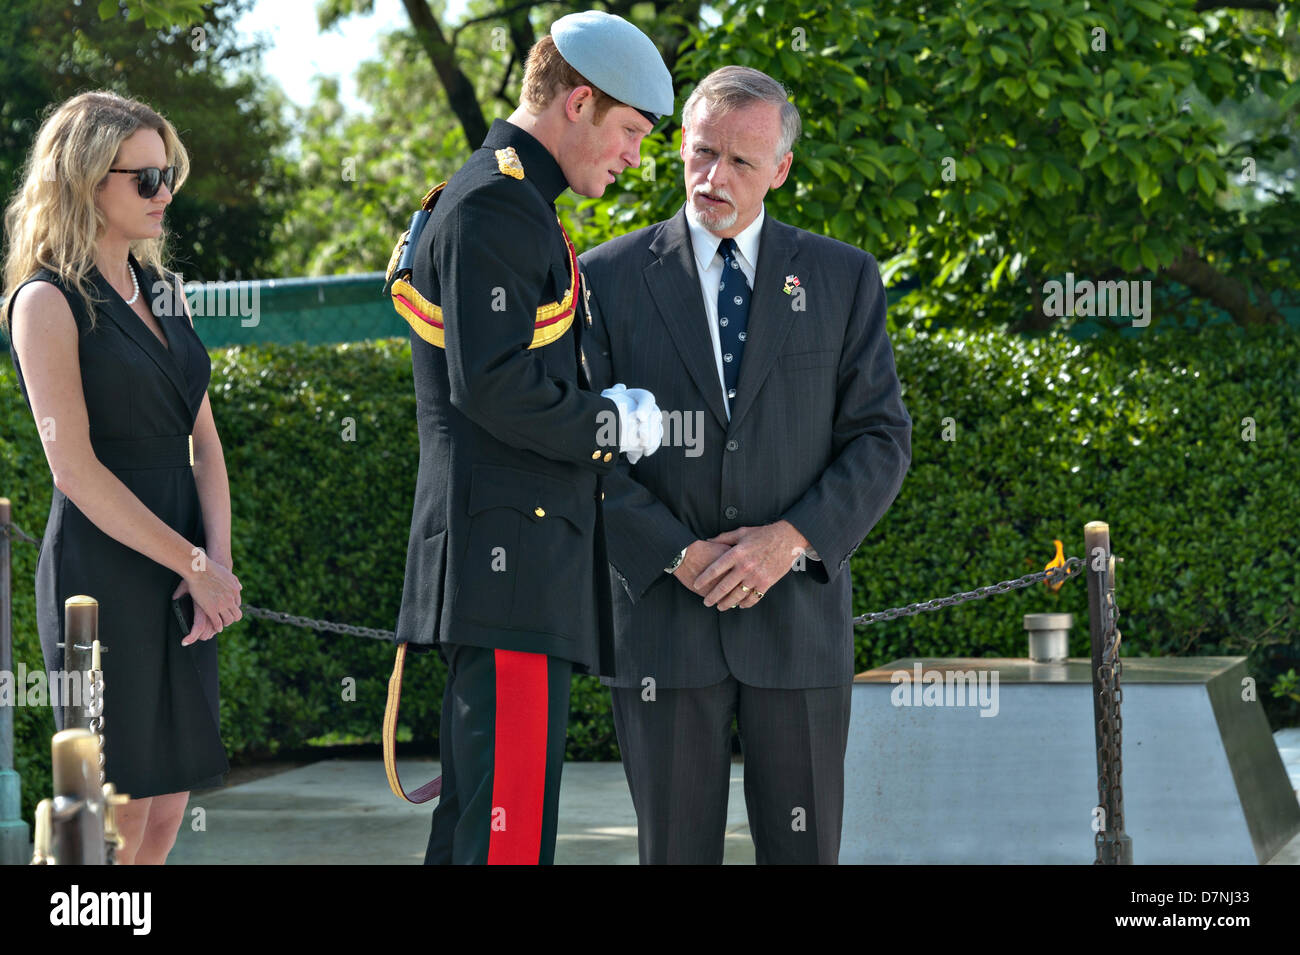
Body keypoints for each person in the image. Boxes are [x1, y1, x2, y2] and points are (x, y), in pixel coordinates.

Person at [580, 66, 913, 864]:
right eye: (700, 154)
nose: (712, 178)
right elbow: (582, 448)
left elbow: (880, 438)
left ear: (781, 169)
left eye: (739, 161)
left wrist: (789, 539)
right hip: (663, 631)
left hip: (797, 630)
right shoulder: (602, 279)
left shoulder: (842, 278)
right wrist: (679, 551)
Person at [388, 10, 671, 865]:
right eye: (627, 130)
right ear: (578, 102)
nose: (631, 155)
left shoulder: (501, 197)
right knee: (504, 836)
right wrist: (611, 423)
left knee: (481, 831)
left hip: (506, 567)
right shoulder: (500, 206)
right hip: (509, 568)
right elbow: (496, 385)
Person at [2, 91, 243, 864]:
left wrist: (218, 562)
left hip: (183, 574)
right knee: (106, 816)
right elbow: (74, 469)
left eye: (167, 173)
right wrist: (196, 564)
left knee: (166, 809)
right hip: (99, 582)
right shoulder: (45, 300)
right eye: (144, 177)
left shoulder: (165, 291)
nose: (165, 192)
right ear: (83, 180)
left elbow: (204, 442)